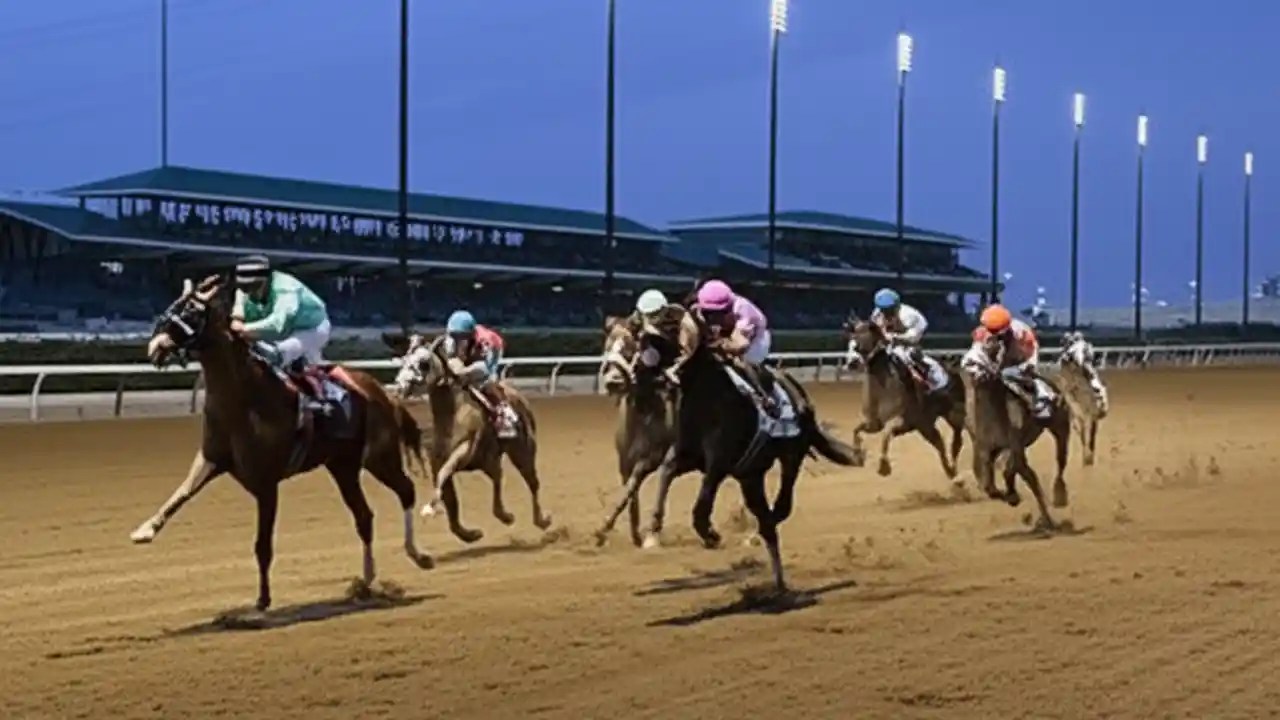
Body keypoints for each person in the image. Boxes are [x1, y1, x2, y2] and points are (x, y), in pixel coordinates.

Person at [231, 255, 333, 407]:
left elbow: (279, 324)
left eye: (253, 287)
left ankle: (322, 399)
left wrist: (244, 328)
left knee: (279, 353)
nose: (249, 293)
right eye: (245, 288)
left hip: (312, 329)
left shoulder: (285, 288)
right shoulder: (243, 291)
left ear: (266, 279)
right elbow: (238, 314)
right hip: (279, 332)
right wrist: (237, 320)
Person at [692, 279, 778, 412]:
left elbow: (740, 345)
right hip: (728, 331)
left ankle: (764, 396)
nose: (712, 318)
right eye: (708, 313)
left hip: (755, 338)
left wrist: (718, 345)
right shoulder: (699, 307)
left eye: (718, 313)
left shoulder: (742, 311)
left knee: (739, 360)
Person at [962, 303, 1053, 418]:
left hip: (1020, 361)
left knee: (1008, 374)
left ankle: (1039, 401)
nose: (992, 334)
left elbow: (1031, 352)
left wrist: (1028, 366)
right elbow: (974, 354)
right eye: (990, 330)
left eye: (996, 332)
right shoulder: (981, 333)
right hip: (994, 364)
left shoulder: (1021, 333)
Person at [442, 309, 518, 436]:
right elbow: (450, 360)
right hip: (475, 350)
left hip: (494, 349)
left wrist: (464, 372)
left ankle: (505, 415)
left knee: (487, 383)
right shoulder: (450, 340)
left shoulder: (485, 342)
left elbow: (485, 368)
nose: (457, 341)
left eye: (461, 337)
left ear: (470, 336)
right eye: (454, 337)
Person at [869, 288, 948, 394]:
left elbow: (913, 337)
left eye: (888, 309)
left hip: (910, 341)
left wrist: (895, 337)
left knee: (909, 356)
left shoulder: (909, 315)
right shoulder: (877, 314)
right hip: (888, 342)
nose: (885, 313)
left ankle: (929, 381)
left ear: (896, 306)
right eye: (883, 309)